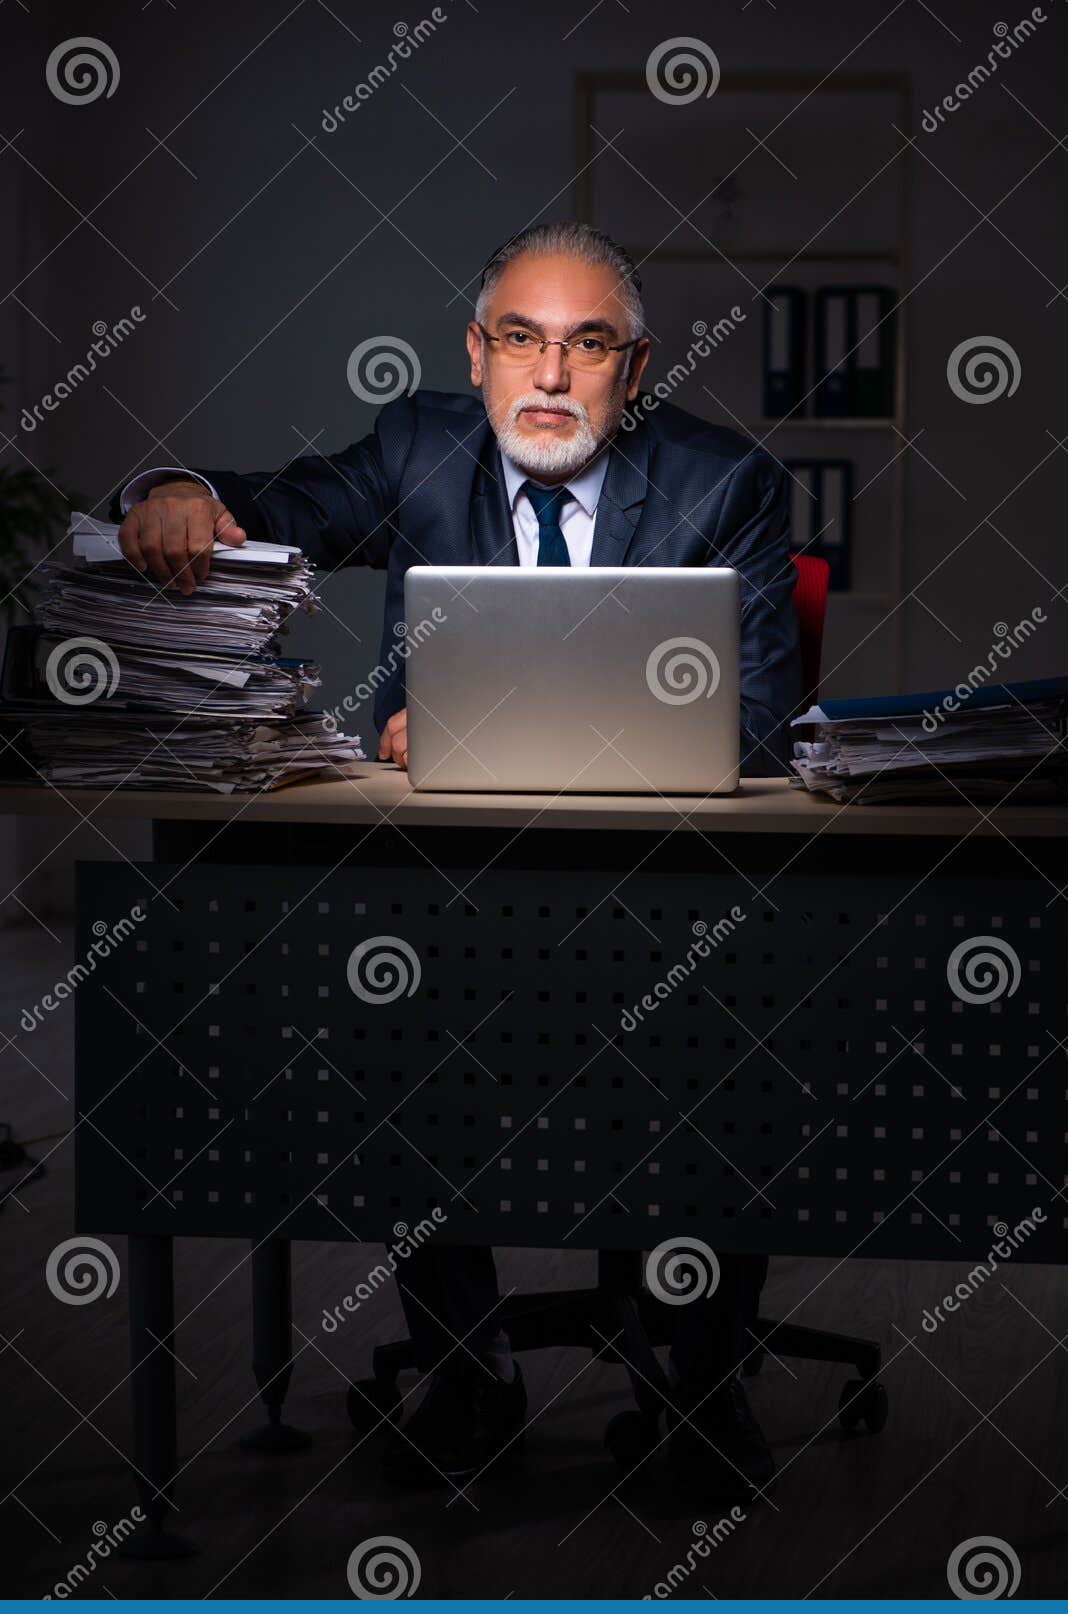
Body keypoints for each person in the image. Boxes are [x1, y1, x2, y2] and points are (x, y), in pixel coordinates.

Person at [113, 221, 801, 1502]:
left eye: (587, 345)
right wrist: (177, 492)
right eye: (523, 341)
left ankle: (701, 1389)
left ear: (633, 370)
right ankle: (467, 1366)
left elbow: (755, 717)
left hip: (669, 895)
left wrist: (504, 719)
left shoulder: (727, 484)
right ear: (476, 356)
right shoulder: (419, 450)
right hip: (446, 893)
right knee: (387, 1023)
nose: (551, 376)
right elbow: (271, 507)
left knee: (731, 1025)